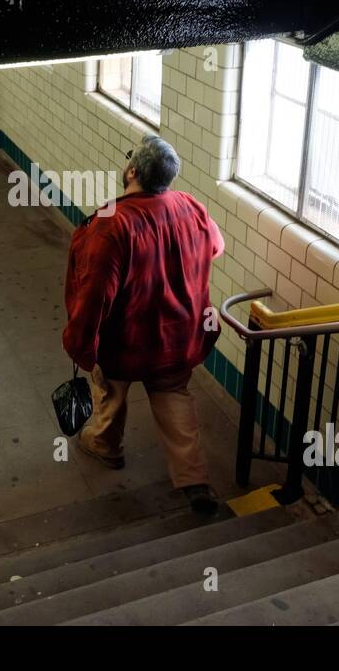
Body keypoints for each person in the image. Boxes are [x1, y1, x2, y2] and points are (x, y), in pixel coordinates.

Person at [62, 134, 226, 514]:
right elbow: (215, 245)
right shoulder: (190, 206)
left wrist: (80, 343)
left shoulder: (111, 224)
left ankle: (105, 445)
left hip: (126, 340)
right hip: (177, 337)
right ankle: (194, 480)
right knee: (174, 397)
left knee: (111, 390)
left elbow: (95, 295)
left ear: (132, 170)